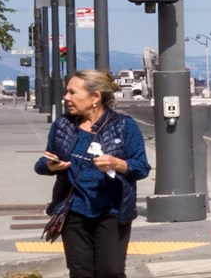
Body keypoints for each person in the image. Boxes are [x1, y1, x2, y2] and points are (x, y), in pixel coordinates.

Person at [36, 70, 148, 278]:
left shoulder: (124, 126)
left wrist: (117, 163)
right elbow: (42, 163)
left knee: (110, 272)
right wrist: (50, 165)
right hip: (73, 211)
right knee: (80, 272)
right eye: (66, 92)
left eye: (72, 92)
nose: (66, 97)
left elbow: (141, 167)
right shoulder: (63, 125)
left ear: (95, 97)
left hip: (112, 211)